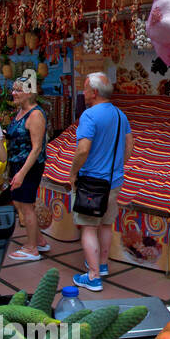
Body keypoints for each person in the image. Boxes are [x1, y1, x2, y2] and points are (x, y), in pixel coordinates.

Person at [64, 71, 130, 294]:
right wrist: (116, 166)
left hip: (92, 182)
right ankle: (102, 266)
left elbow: (83, 149)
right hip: (114, 181)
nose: (83, 92)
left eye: (84, 88)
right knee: (106, 223)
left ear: (94, 92)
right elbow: (129, 146)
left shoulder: (89, 116)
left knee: (89, 227)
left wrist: (73, 173)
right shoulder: (121, 115)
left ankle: (92, 276)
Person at [0, 73, 54, 260]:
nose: (13, 93)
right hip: (17, 163)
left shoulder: (36, 114)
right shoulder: (20, 112)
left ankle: (32, 249)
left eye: (18, 90)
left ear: (30, 93)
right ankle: (39, 241)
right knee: (19, 202)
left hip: (28, 166)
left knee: (26, 205)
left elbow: (37, 148)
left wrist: (22, 173)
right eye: (13, 89)